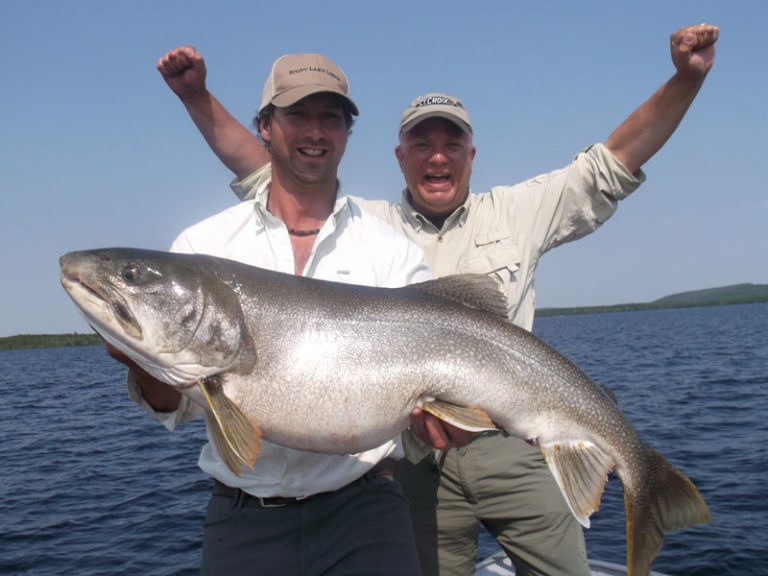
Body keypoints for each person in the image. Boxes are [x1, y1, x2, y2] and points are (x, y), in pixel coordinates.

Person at [156, 23, 719, 576]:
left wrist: (686, 81)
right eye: (422, 144)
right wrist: (197, 98)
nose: (438, 157)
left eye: (451, 144)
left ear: (472, 154)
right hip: (420, 452)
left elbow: (610, 167)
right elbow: (278, 166)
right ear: (399, 156)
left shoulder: (518, 212)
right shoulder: (369, 224)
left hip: (512, 438)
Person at [108, 52, 456, 576]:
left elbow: (418, 428)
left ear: (347, 133)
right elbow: (174, 406)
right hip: (244, 518)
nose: (314, 131)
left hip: (367, 510)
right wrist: (144, 363)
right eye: (297, 115)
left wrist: (445, 424)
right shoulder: (202, 246)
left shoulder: (393, 254)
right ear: (265, 127)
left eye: (330, 117)